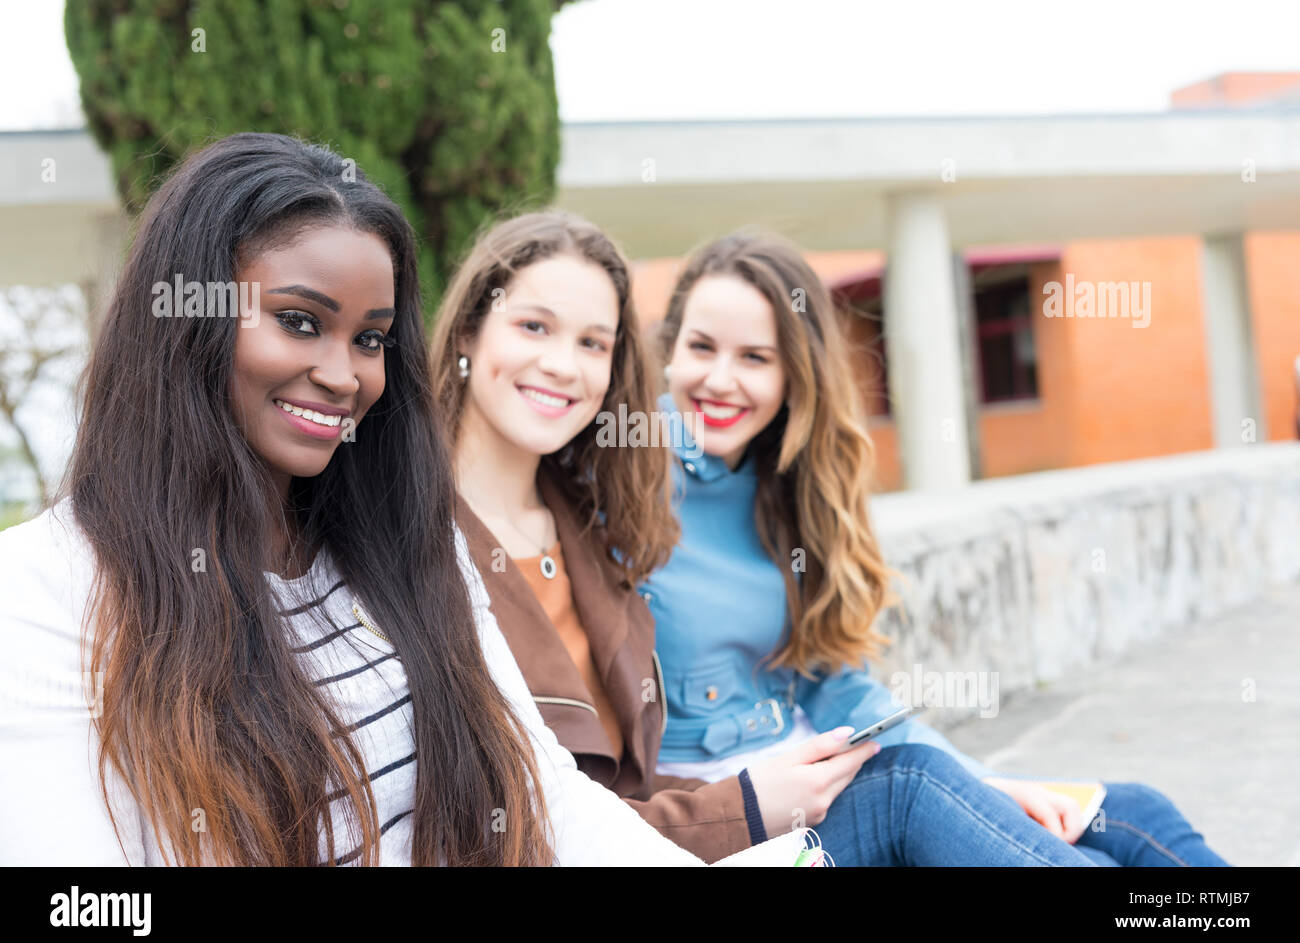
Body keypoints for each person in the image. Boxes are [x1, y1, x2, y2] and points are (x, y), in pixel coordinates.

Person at [0, 133, 716, 866]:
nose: (345, 375)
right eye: (300, 322)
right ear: (189, 320)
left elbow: (545, 796)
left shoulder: (409, 545)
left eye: (370, 338)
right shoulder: (46, 588)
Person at [431, 209, 1124, 865]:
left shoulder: (579, 508)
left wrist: (981, 783)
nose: (562, 364)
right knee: (915, 791)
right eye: (533, 327)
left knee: (1114, 818)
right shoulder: (435, 545)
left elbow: (827, 680)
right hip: (684, 823)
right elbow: (544, 817)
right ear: (467, 330)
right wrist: (749, 805)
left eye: (592, 343)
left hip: (713, 806)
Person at [642, 229, 1231, 867]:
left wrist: (981, 782)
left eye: (755, 358)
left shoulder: (786, 485)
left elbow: (831, 680)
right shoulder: (622, 481)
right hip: (733, 809)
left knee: (1133, 812)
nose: (720, 379)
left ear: (795, 375)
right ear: (668, 349)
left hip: (821, 770)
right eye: (701, 347)